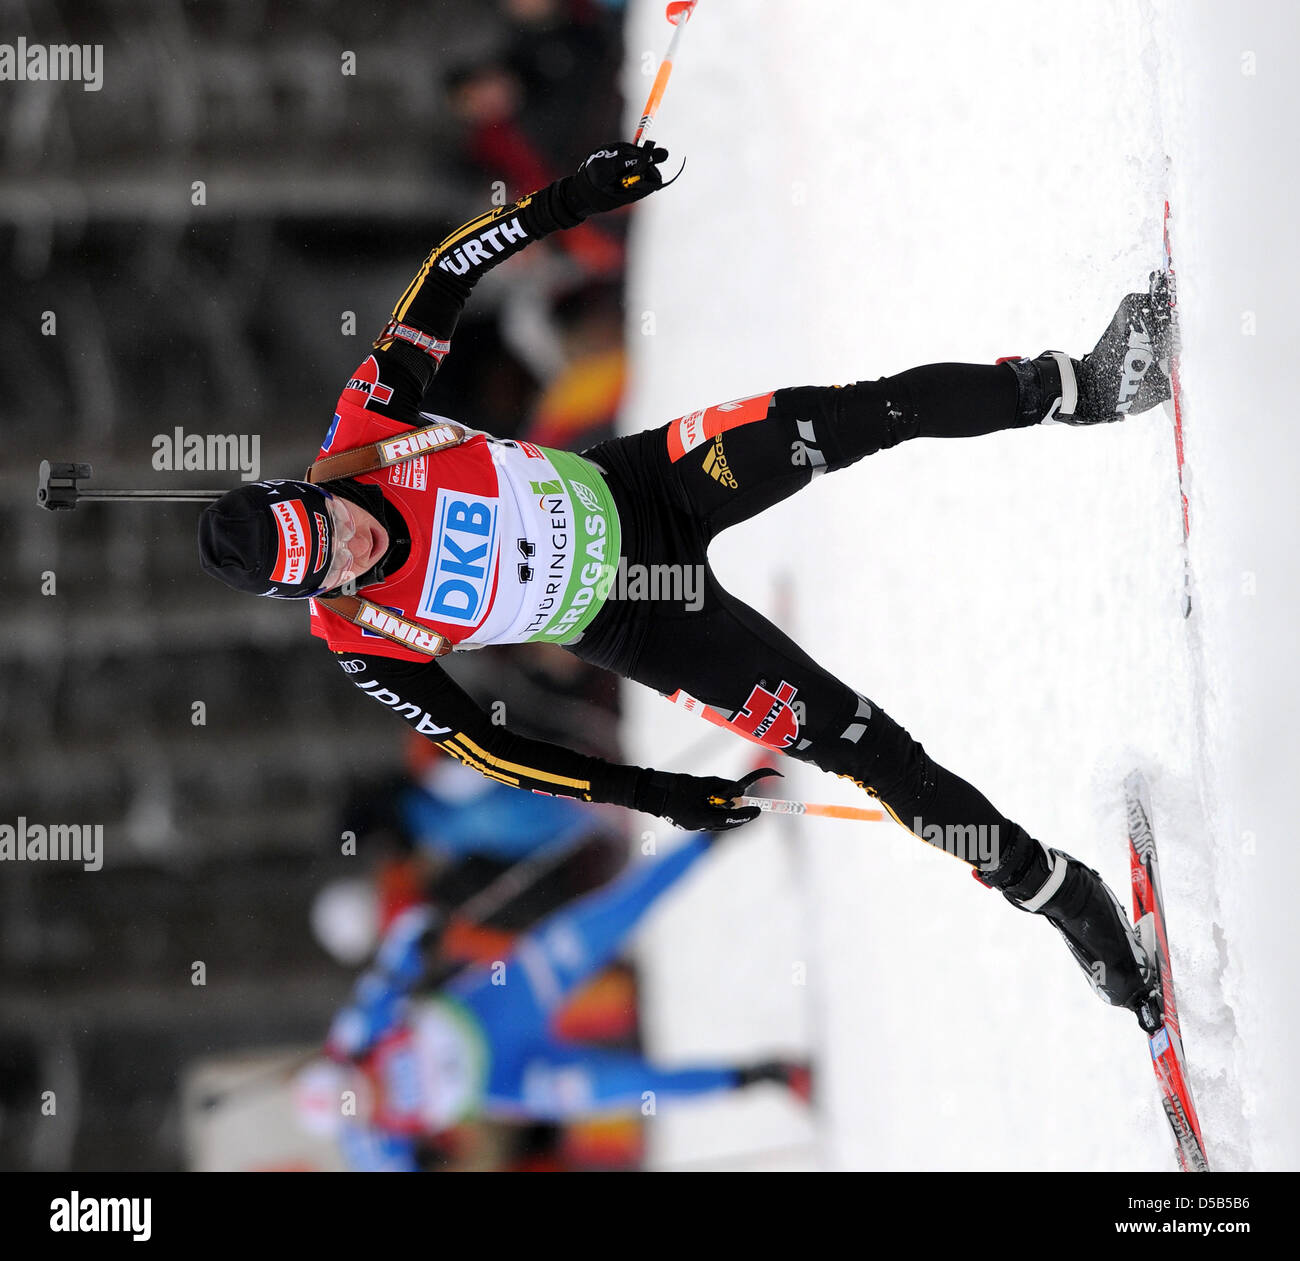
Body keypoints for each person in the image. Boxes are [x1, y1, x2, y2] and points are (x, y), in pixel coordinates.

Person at [198, 139, 1175, 1030]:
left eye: (325, 521)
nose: (349, 540)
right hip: (640, 620)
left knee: (847, 416)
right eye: (324, 562)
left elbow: (445, 273)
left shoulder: (365, 429)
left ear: (310, 492)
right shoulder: (359, 635)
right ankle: (1062, 898)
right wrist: (653, 790)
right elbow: (488, 747)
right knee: (861, 742)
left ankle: (1078, 385)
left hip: (645, 484)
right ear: (308, 591)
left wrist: (568, 200)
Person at [301, 836, 810, 1170]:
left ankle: (726, 819)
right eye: (363, 1108)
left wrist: (421, 935)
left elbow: (398, 957)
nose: (372, 1093)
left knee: (617, 912)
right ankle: (773, 1075)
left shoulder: (358, 1033)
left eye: (360, 1085)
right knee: (636, 1085)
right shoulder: (369, 1148)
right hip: (516, 1080)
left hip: (503, 999)